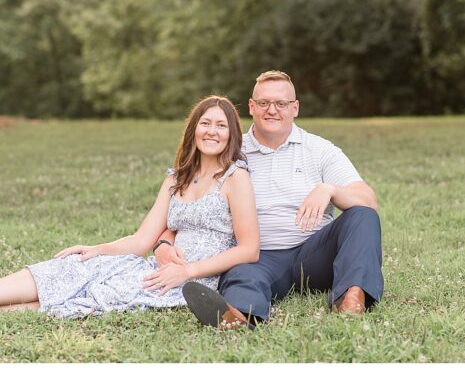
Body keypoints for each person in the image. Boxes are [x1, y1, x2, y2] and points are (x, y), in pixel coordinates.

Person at [0, 95, 259, 318]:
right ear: (194, 129)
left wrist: (188, 272)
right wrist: (97, 249)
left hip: (192, 280)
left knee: (100, 293)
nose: (212, 131)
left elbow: (249, 248)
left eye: (221, 125)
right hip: (158, 267)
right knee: (76, 268)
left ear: (232, 134)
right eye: (205, 123)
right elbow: (143, 240)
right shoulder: (177, 179)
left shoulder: (234, 178)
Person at [155, 71, 383, 329]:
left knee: (363, 215)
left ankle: (352, 299)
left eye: (281, 104)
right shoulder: (231, 151)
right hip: (259, 256)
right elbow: (192, 204)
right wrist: (164, 241)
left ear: (295, 108)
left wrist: (330, 189)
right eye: (263, 103)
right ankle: (238, 317)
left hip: (316, 252)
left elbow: (369, 200)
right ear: (252, 107)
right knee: (242, 274)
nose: (272, 110)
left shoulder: (319, 149)